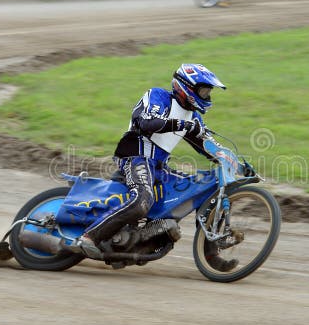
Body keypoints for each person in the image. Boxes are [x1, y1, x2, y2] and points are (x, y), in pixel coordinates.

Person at [72, 64, 239, 272]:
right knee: (144, 200)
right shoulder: (159, 96)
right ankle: (89, 237)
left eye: (208, 91)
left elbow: (208, 146)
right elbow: (146, 122)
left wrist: (236, 163)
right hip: (135, 157)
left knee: (203, 188)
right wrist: (183, 126)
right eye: (203, 90)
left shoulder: (194, 117)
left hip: (158, 167)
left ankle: (210, 254)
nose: (207, 95)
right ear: (186, 87)